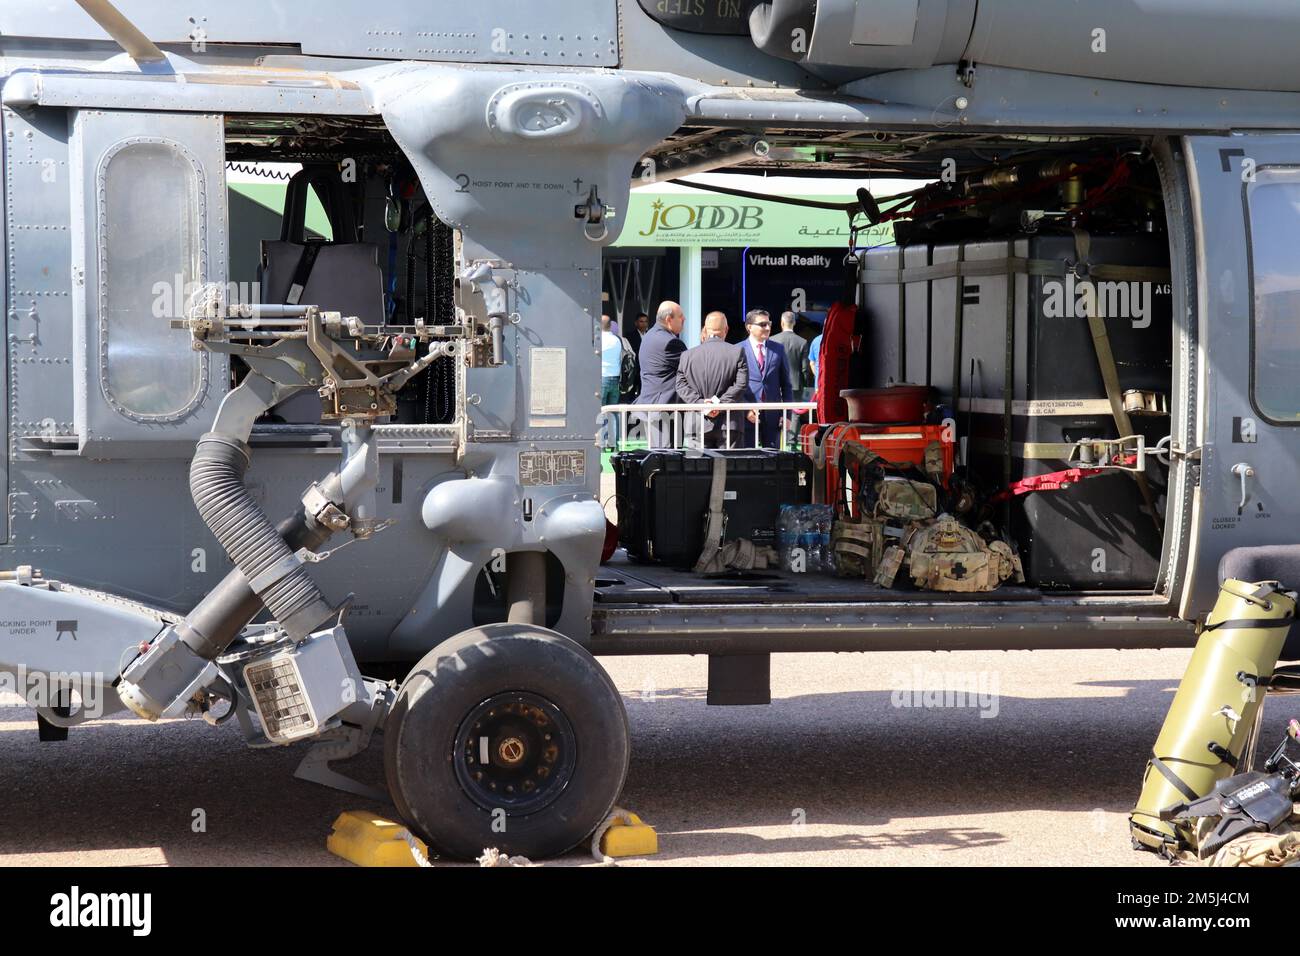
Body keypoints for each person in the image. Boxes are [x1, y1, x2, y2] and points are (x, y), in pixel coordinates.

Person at [675, 310, 749, 448]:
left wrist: (701, 403)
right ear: (726, 329)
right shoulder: (737, 352)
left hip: (696, 423)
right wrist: (718, 404)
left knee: (697, 467)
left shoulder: (687, 355)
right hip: (729, 422)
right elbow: (741, 385)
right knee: (729, 467)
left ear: (705, 329)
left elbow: (680, 385)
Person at [635, 300, 687, 447]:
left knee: (659, 459)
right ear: (669, 319)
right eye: (680, 316)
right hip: (664, 410)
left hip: (654, 407)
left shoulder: (650, 335)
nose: (684, 319)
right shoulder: (670, 342)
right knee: (667, 461)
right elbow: (691, 368)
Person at [739, 308, 792, 448]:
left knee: (773, 459)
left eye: (769, 323)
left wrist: (787, 415)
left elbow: (786, 384)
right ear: (749, 327)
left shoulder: (778, 349)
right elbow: (732, 384)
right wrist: (745, 409)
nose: (768, 328)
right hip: (748, 415)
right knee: (747, 458)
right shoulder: (738, 350)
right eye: (763, 324)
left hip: (772, 415)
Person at [599, 315, 628, 450]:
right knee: (613, 412)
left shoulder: (599, 340)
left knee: (602, 411)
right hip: (615, 378)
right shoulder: (617, 340)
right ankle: (614, 443)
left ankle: (603, 442)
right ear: (610, 326)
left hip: (602, 378)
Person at [771, 311, 813, 400]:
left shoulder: (771, 340)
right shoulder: (802, 342)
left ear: (782, 323)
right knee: (795, 412)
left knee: (777, 412)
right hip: (796, 384)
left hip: (775, 384)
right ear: (794, 323)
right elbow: (805, 368)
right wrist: (806, 384)